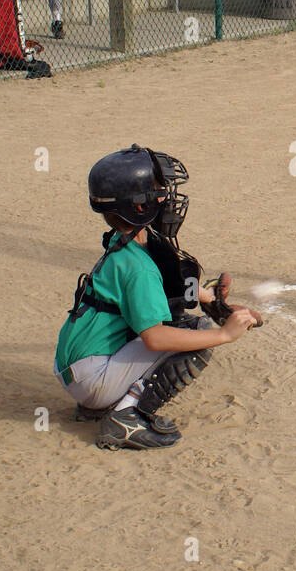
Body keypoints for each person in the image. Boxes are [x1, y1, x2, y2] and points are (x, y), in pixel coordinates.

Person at [55, 145, 260, 450]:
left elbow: (171, 282)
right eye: (159, 191)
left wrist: (209, 299)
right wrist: (223, 334)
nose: (167, 197)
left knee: (181, 322)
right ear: (138, 206)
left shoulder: (127, 241)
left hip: (77, 367)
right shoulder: (139, 268)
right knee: (198, 335)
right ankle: (127, 414)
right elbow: (154, 339)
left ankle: (97, 404)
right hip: (91, 377)